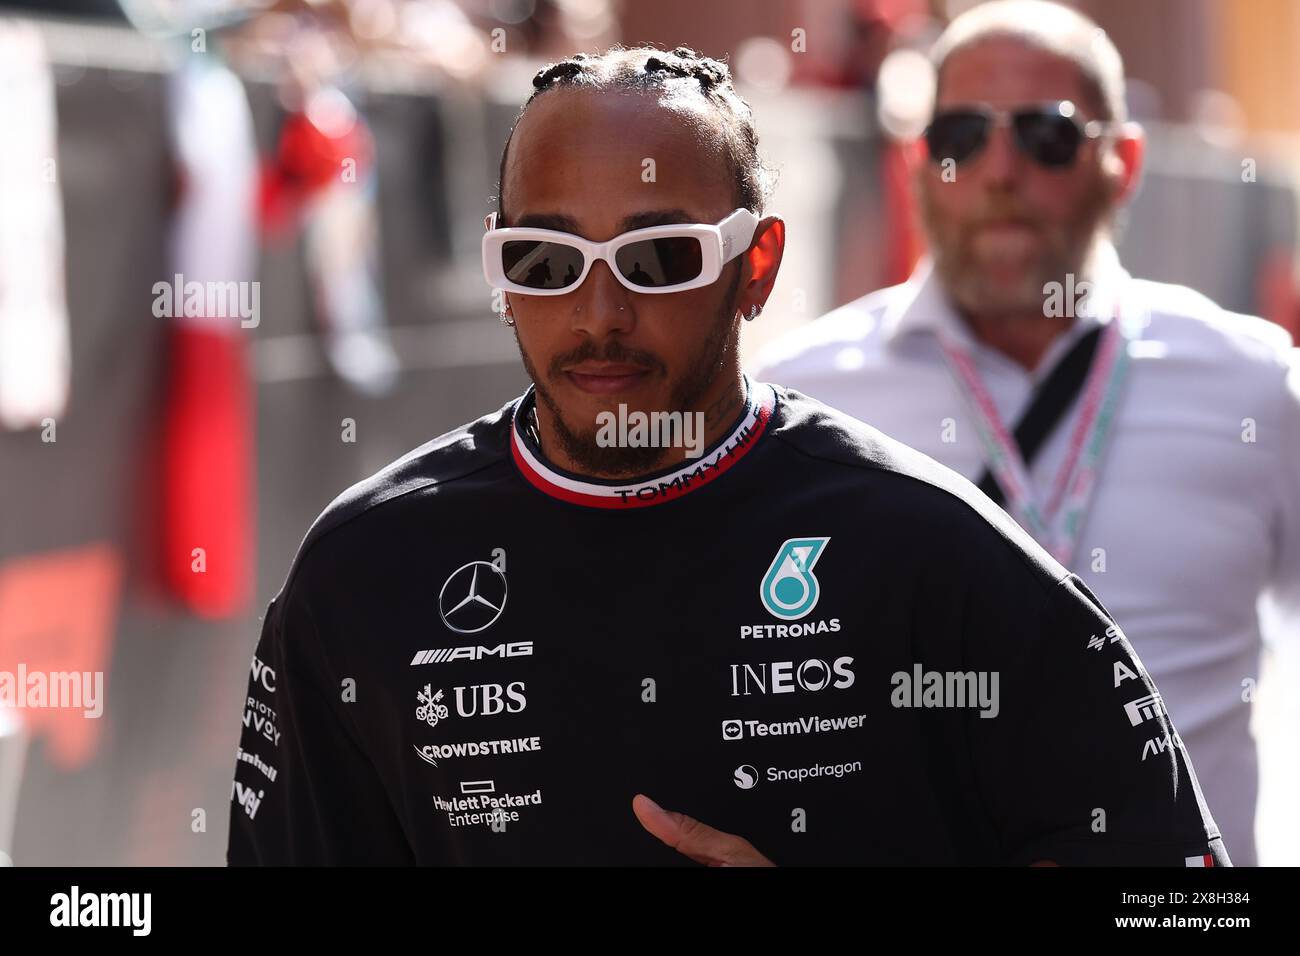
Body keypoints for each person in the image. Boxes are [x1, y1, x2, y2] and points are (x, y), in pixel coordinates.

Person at [228, 45, 1228, 866]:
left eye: (660, 259)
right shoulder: (364, 575)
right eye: (544, 261)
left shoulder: (934, 552)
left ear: (757, 267)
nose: (598, 313)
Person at [757, 0, 1300, 866]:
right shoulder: (801, 392)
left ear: (1123, 160)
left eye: (1045, 134)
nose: (999, 171)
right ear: (916, 163)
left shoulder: (1255, 381)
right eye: (961, 135)